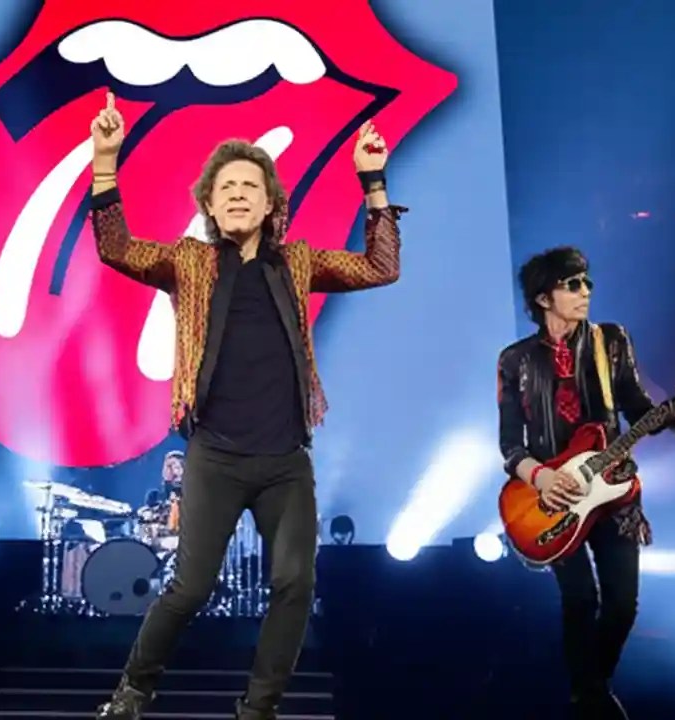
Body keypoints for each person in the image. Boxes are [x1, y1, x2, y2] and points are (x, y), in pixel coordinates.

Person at [88, 91, 405, 720]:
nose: (237, 194)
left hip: (286, 461)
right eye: (225, 186)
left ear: (270, 203)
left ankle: (258, 709)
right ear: (208, 204)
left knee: (295, 585)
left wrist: (373, 182)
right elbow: (115, 246)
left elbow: (381, 266)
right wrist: (104, 162)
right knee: (189, 589)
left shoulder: (298, 262)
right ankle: (130, 694)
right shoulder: (188, 261)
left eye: (249, 186)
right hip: (216, 455)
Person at [495, 247, 675, 719]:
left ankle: (591, 690)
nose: (585, 291)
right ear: (543, 297)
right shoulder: (515, 361)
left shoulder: (610, 341)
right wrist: (544, 475)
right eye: (573, 284)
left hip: (613, 491)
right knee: (580, 598)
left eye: (587, 282)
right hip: (552, 497)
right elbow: (510, 444)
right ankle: (588, 701)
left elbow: (636, 406)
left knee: (622, 605)